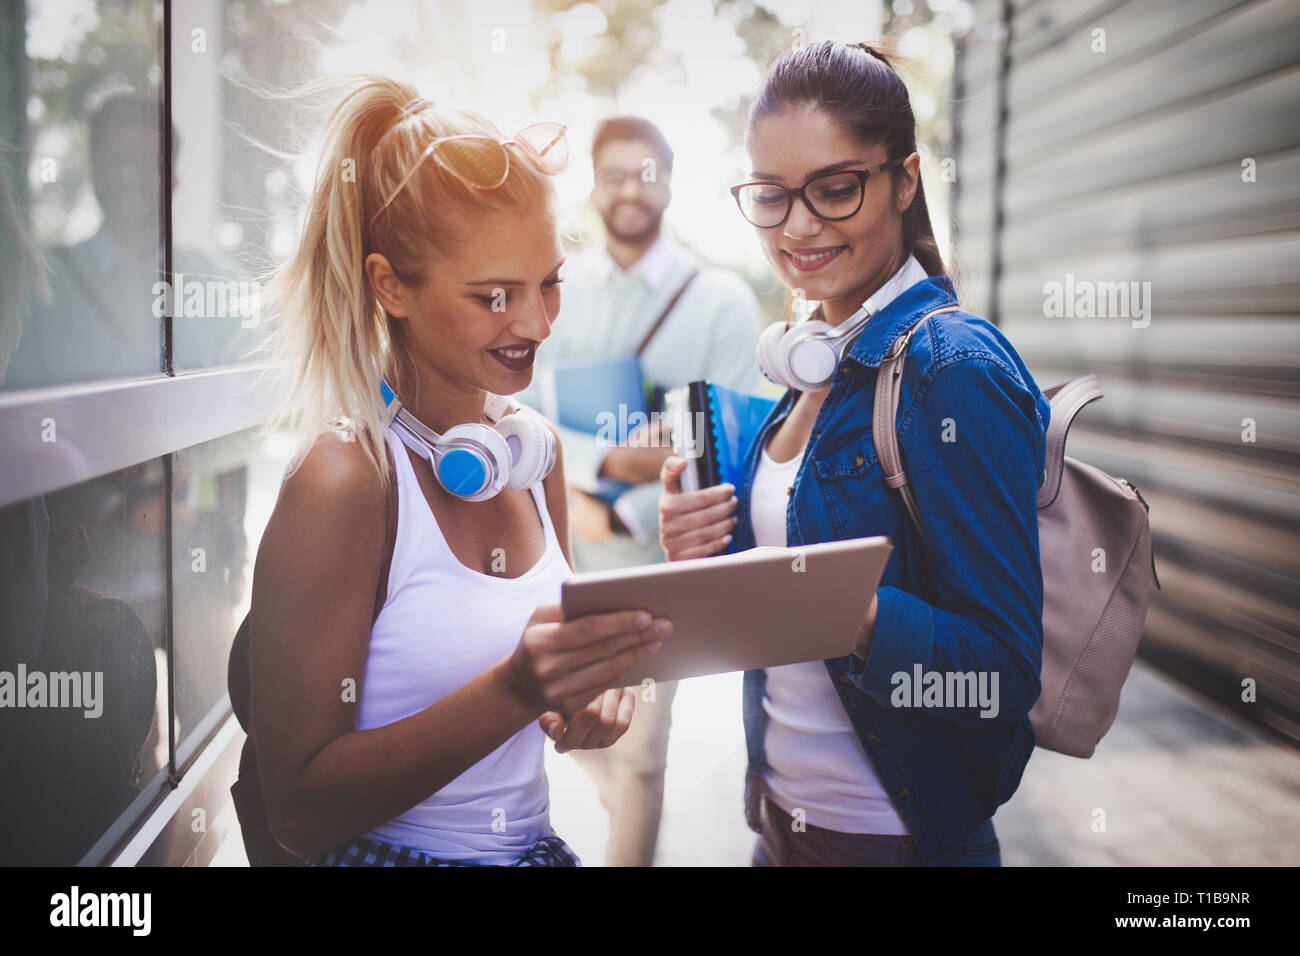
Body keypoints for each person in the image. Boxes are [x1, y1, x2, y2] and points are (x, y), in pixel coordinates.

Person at [246, 76, 671, 867]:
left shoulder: (532, 453)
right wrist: (515, 688)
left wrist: (586, 702)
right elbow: (297, 816)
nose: (538, 323)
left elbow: (554, 704)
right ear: (389, 286)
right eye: (495, 295)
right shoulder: (345, 481)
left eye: (550, 284)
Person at [659, 40, 1050, 866]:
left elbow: (1003, 677)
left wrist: (849, 608)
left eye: (835, 189)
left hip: (889, 842)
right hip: (779, 821)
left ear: (905, 179)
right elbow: (784, 596)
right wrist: (707, 549)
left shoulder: (951, 370)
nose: (799, 227)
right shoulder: (816, 358)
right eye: (771, 197)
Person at [515, 116, 764, 867]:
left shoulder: (719, 301)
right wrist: (607, 470)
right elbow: (522, 412)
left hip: (659, 568)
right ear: (592, 187)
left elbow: (731, 438)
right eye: (614, 173)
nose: (630, 187)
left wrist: (621, 488)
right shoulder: (555, 289)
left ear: (668, 183)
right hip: (560, 547)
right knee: (545, 721)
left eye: (645, 172)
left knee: (644, 757)